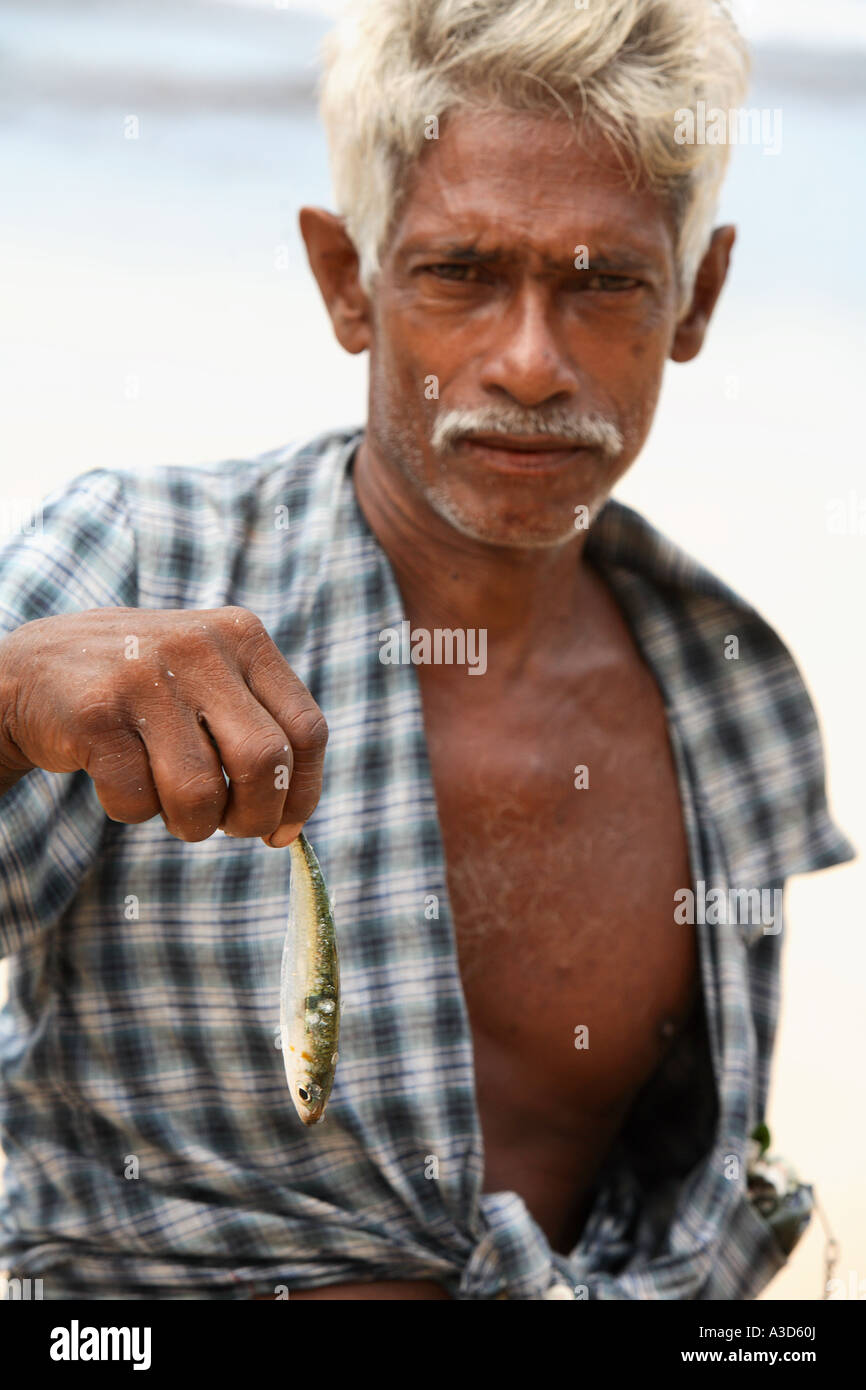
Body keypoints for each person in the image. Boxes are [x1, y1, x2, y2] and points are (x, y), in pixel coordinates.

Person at [0, 0, 854, 1301]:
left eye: (603, 281)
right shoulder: (137, 560)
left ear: (697, 298)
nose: (528, 361)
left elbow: (680, 1201)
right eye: (461, 271)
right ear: (348, 280)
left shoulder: (729, 694)